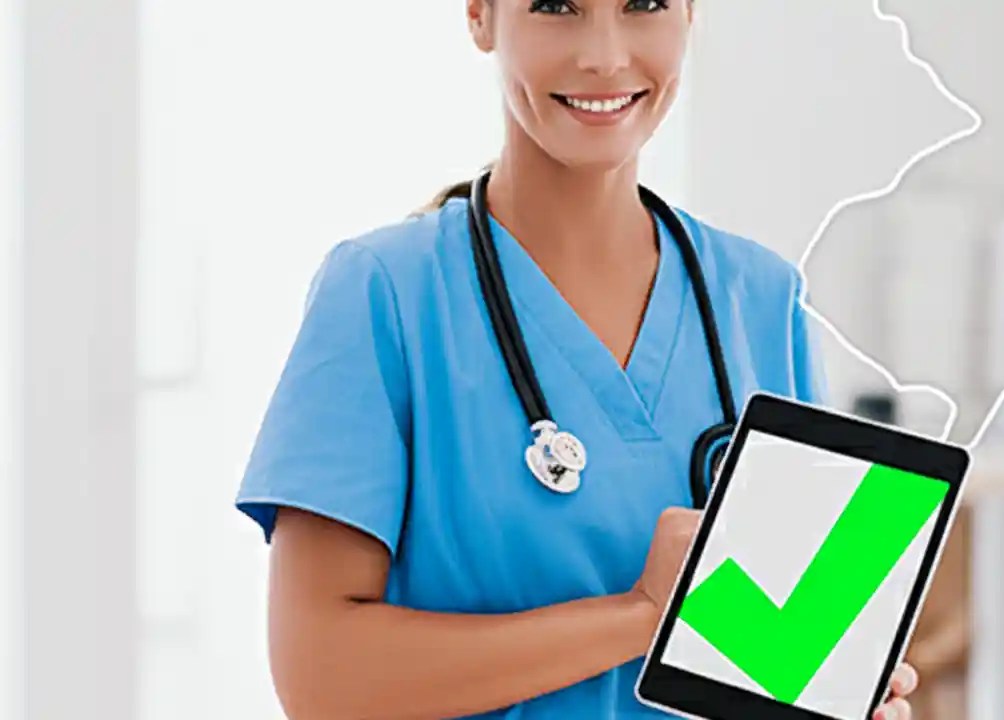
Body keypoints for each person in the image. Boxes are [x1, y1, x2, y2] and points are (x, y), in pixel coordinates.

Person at [234, 1, 919, 718]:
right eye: (557, 6)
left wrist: (846, 694)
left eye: (645, 5)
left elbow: (786, 667)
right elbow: (322, 678)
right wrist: (641, 616)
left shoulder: (763, 299)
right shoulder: (385, 294)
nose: (606, 56)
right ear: (480, 17)